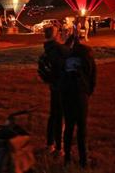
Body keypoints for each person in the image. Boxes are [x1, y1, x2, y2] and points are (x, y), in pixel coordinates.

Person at [61, 27, 96, 168]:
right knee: (82, 128)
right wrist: (87, 92)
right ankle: (83, 160)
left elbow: (61, 74)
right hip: (81, 95)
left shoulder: (65, 56)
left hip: (67, 94)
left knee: (69, 127)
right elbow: (93, 77)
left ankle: (67, 158)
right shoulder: (88, 55)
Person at [38, 26, 67, 155]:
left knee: (53, 115)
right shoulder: (59, 49)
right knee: (60, 116)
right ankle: (59, 147)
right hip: (62, 86)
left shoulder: (46, 50)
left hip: (53, 86)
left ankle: (50, 144)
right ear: (56, 35)